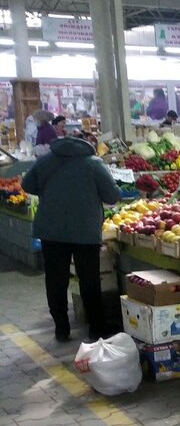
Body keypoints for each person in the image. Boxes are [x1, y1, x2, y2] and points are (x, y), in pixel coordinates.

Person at [22, 133, 120, 342]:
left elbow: (27, 185)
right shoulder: (94, 164)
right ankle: (96, 328)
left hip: (51, 230)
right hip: (85, 231)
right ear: (88, 146)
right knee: (89, 279)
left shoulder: (45, 160)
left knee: (55, 280)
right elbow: (112, 196)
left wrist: (50, 192)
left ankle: (61, 328)